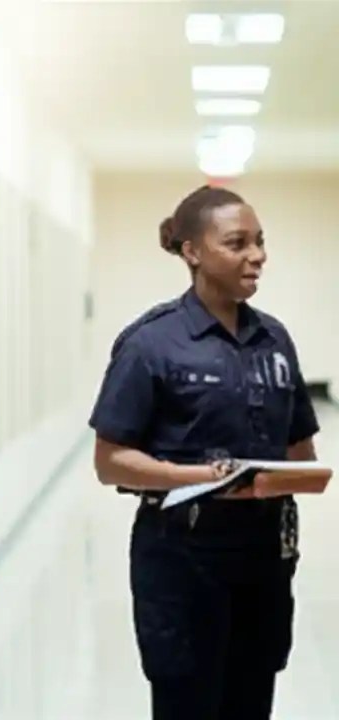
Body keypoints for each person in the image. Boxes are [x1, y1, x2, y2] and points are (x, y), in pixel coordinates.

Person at [89, 185, 319, 720]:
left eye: (260, 241)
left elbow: (299, 447)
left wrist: (289, 475)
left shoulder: (274, 340)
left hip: (263, 556)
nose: (257, 255)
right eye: (237, 243)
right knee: (187, 702)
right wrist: (201, 476)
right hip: (182, 558)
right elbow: (109, 461)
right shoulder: (152, 343)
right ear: (192, 251)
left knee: (251, 699)